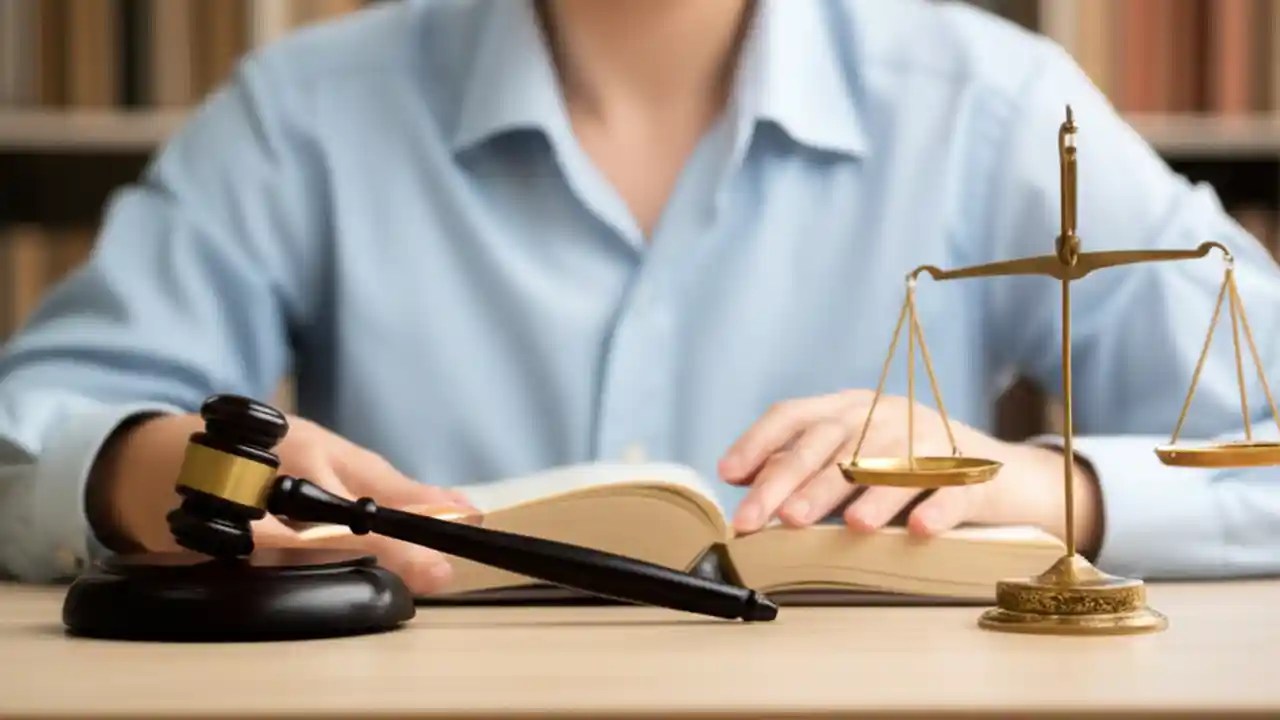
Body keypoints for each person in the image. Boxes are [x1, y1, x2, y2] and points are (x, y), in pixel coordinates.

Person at [2, 0, 1278, 595]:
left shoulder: (994, 104)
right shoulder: (305, 113)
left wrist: (1033, 486)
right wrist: (152, 470)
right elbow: (30, 433)